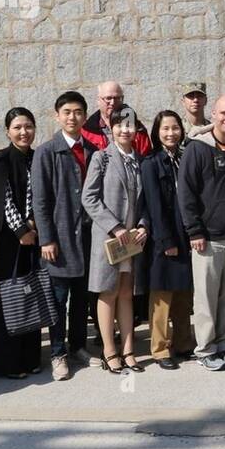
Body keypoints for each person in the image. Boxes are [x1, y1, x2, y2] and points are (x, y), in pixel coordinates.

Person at [179, 95, 225, 372]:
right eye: (223, 113)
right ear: (213, 114)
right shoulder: (197, 150)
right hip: (207, 238)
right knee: (206, 297)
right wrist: (194, 230)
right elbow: (186, 193)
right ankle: (206, 348)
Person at [31, 91, 98, 380]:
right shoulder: (47, 152)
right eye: (67, 112)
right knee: (58, 299)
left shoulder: (94, 151)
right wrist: (46, 238)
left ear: (85, 116)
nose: (73, 117)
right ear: (57, 116)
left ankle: (78, 346)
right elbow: (40, 200)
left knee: (82, 299)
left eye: (78, 112)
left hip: (87, 238)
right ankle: (58, 352)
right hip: (59, 239)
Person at [82, 108, 149, 374]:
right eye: (120, 125)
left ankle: (129, 349)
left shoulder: (141, 160)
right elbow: (89, 198)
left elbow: (147, 201)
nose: (125, 130)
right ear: (111, 129)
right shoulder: (102, 158)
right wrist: (116, 227)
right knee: (107, 292)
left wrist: (144, 224)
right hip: (109, 238)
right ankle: (110, 350)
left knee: (126, 293)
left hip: (133, 240)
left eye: (130, 126)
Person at [0, 108, 44, 379]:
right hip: (11, 241)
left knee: (33, 292)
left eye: (29, 126)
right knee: (11, 297)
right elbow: (4, 199)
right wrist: (22, 229)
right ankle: (8, 362)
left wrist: (35, 224)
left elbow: (44, 194)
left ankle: (31, 357)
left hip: (35, 237)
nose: (24, 132)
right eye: (18, 127)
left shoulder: (38, 157)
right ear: (8, 131)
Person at [141, 111, 195, 370]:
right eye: (165, 129)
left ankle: (184, 343)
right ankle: (160, 349)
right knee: (162, 298)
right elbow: (154, 205)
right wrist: (165, 240)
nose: (171, 133)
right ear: (157, 132)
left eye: (175, 128)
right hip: (164, 238)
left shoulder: (184, 157)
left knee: (184, 295)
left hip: (186, 236)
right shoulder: (151, 162)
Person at [82, 81, 152, 156]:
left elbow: (146, 159)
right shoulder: (87, 131)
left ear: (123, 99)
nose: (112, 102)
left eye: (117, 98)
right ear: (98, 100)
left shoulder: (137, 129)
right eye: (108, 98)